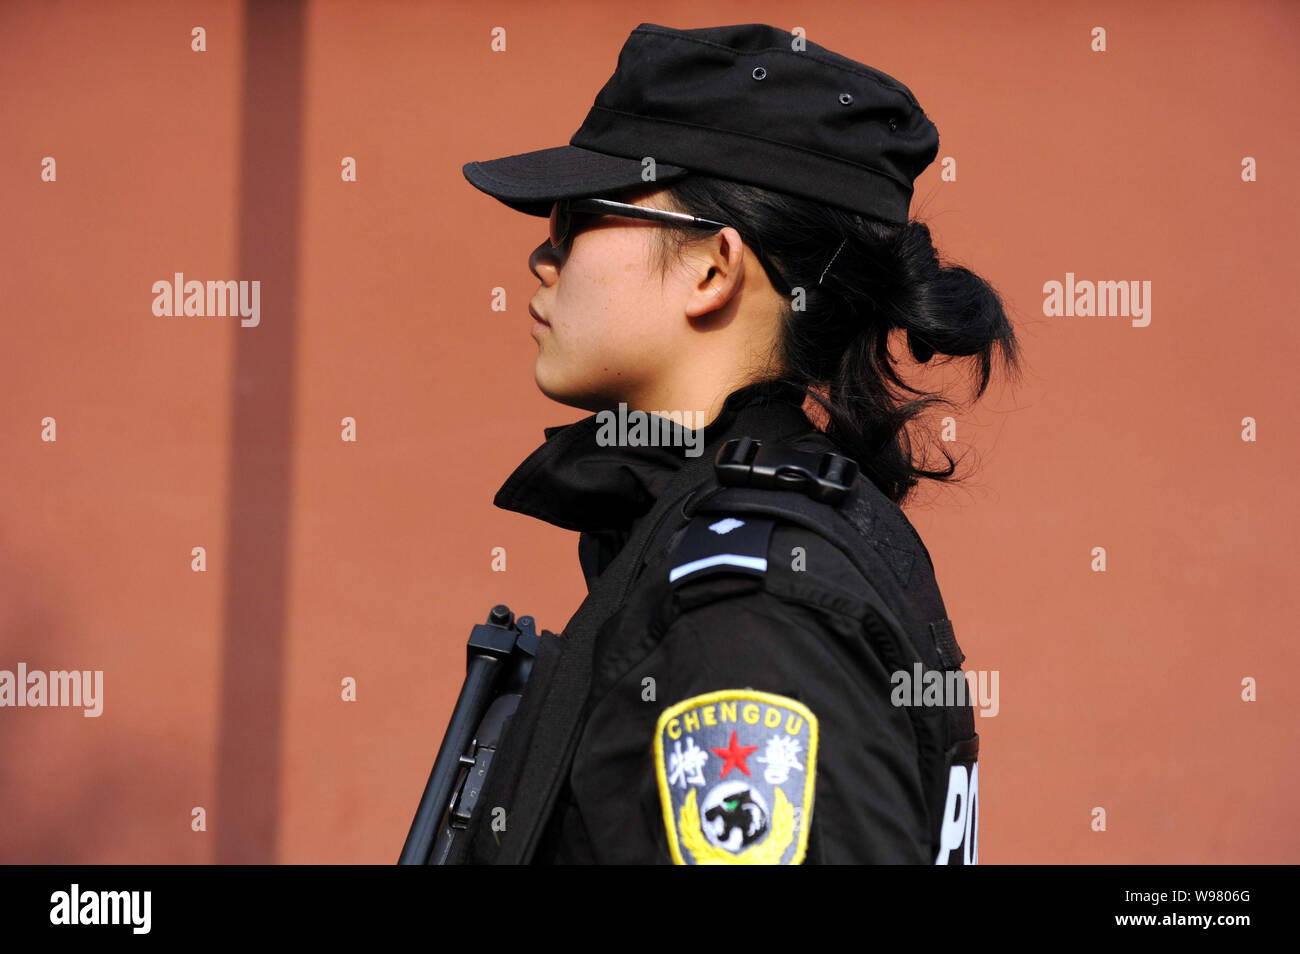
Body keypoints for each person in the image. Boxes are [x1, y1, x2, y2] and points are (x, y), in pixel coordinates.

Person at [451, 22, 1021, 864]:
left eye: (578, 218)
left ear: (712, 269)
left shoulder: (749, 616)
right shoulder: (745, 537)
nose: (544, 254)